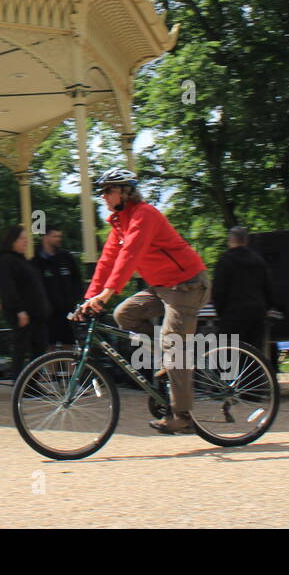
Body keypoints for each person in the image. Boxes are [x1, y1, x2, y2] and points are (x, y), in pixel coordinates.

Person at [76, 168, 210, 435]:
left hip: (187, 284)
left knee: (174, 341)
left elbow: (131, 255)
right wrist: (90, 298)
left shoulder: (144, 215)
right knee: (124, 314)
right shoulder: (119, 222)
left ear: (125, 192)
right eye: (102, 192)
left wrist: (108, 292)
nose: (103, 196)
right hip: (161, 287)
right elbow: (107, 261)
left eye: (108, 191)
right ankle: (167, 365)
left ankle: (182, 416)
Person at [211, 226, 278, 372]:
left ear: (230, 241)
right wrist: (267, 307)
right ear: (246, 241)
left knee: (228, 355)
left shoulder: (225, 260)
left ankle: (229, 388)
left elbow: (218, 290)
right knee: (254, 355)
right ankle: (253, 391)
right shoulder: (258, 260)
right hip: (256, 313)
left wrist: (221, 312)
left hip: (232, 314)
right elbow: (269, 287)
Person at [0, 226, 50, 378]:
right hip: (24, 313)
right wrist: (19, 310)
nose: (25, 242)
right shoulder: (8, 261)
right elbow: (8, 288)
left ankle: (30, 383)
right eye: (22, 239)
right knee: (22, 348)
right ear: (12, 241)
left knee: (38, 347)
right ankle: (21, 383)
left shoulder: (22, 260)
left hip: (35, 313)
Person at [32, 228, 83, 348]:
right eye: (55, 236)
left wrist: (76, 301)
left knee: (69, 344)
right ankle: (50, 366)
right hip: (48, 314)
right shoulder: (36, 261)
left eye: (60, 236)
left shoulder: (66, 257)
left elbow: (77, 280)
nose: (58, 239)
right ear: (45, 237)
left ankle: (70, 367)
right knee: (49, 345)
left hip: (68, 311)